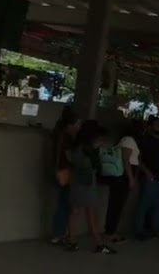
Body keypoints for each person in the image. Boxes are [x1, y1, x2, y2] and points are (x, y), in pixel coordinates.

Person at [67, 121, 117, 254]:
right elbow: (85, 166)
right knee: (87, 214)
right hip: (84, 183)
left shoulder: (81, 147)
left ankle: (73, 241)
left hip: (81, 183)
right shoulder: (84, 149)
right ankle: (97, 243)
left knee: (77, 212)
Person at [104, 120, 142, 243]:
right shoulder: (129, 140)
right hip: (123, 176)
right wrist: (131, 178)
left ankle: (111, 231)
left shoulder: (126, 140)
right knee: (116, 204)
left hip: (122, 175)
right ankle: (110, 232)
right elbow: (126, 159)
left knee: (117, 204)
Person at [48, 106, 80, 246]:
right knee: (65, 204)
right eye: (77, 124)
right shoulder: (67, 138)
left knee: (62, 204)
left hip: (59, 171)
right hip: (66, 172)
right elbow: (69, 157)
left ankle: (58, 233)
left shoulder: (58, 135)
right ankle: (60, 233)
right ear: (70, 125)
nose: (78, 127)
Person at [132, 118, 159, 240]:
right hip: (149, 176)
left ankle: (154, 229)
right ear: (150, 126)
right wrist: (147, 172)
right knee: (144, 204)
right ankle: (139, 230)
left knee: (158, 205)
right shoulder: (145, 140)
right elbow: (138, 158)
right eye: (157, 124)